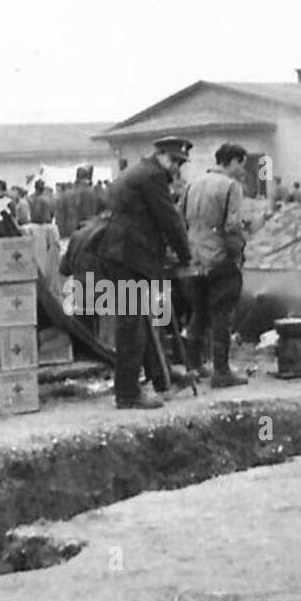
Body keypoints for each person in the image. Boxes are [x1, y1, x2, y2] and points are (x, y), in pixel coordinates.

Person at [97, 135, 194, 409]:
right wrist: (186, 255)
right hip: (129, 257)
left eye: (180, 162)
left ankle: (161, 377)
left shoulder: (140, 171)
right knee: (132, 324)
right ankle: (128, 394)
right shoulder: (152, 176)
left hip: (128, 254)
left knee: (143, 320)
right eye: (175, 161)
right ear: (162, 155)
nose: (177, 167)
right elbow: (169, 219)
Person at [179, 142, 250, 388]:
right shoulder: (231, 187)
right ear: (232, 161)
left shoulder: (192, 184)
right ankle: (221, 371)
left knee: (198, 313)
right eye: (242, 164)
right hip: (219, 260)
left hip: (193, 259)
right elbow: (232, 227)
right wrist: (238, 253)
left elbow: (180, 220)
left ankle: (193, 366)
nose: (243, 170)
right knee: (222, 315)